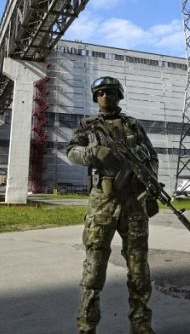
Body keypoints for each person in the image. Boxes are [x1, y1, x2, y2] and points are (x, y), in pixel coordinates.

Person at [66, 76, 159, 334]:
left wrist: (150, 186)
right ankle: (87, 326)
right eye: (101, 92)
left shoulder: (133, 125)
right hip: (102, 204)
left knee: (139, 269)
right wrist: (90, 153)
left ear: (119, 96)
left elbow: (151, 157)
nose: (106, 96)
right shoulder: (88, 125)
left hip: (133, 204)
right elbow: (71, 150)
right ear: (96, 97)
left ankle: (141, 325)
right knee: (94, 270)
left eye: (111, 92)